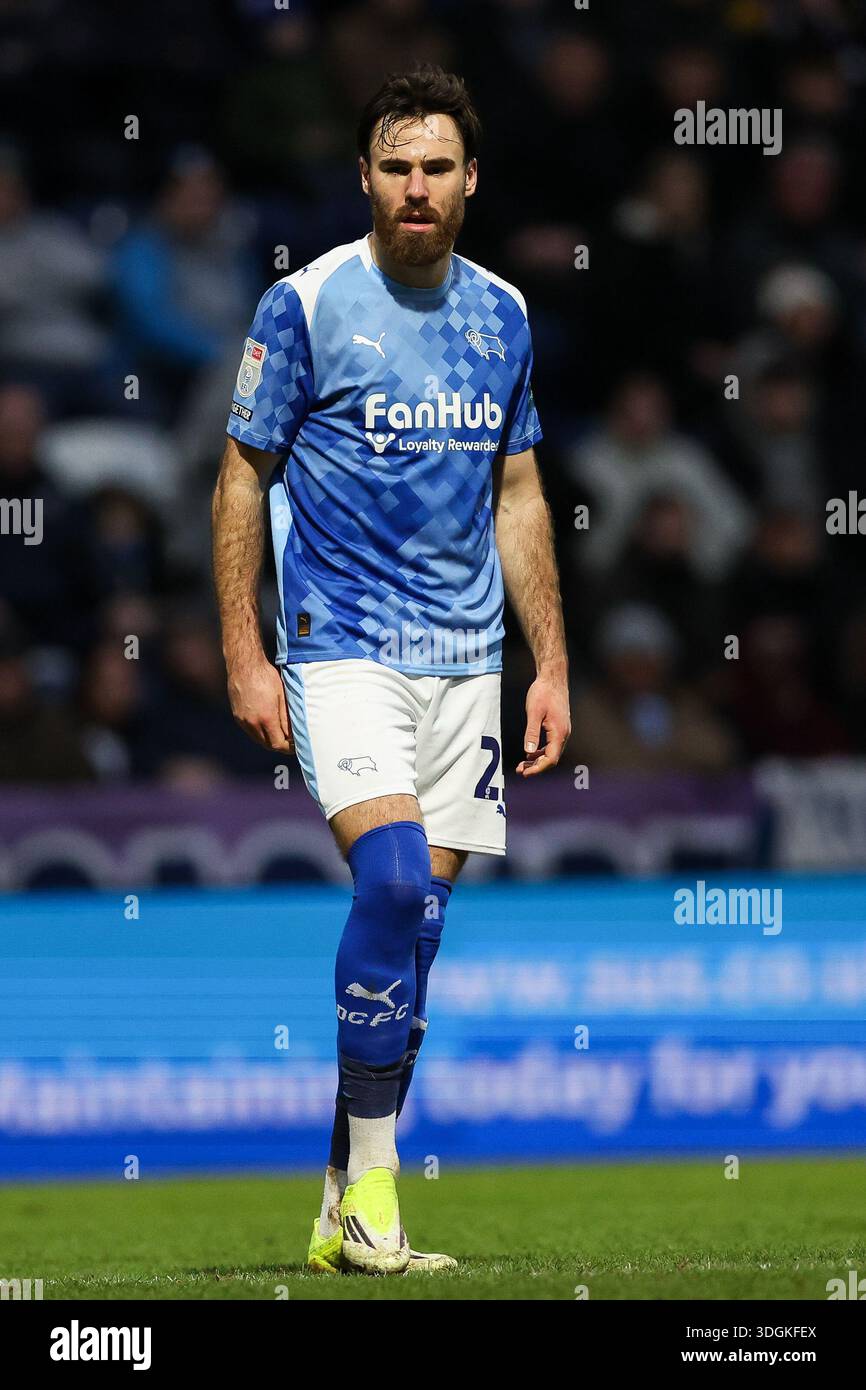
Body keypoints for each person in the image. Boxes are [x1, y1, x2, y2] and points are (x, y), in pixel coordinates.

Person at [211, 65, 570, 1275]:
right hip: (341, 647)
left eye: (436, 168)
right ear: (364, 175)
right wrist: (244, 650)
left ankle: (335, 1198)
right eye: (394, 167)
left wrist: (549, 666)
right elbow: (241, 474)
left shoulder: (505, 316)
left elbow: (517, 490)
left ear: (470, 180)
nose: (415, 189)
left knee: (413, 936)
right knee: (394, 880)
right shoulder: (304, 306)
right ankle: (376, 1205)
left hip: (469, 662)